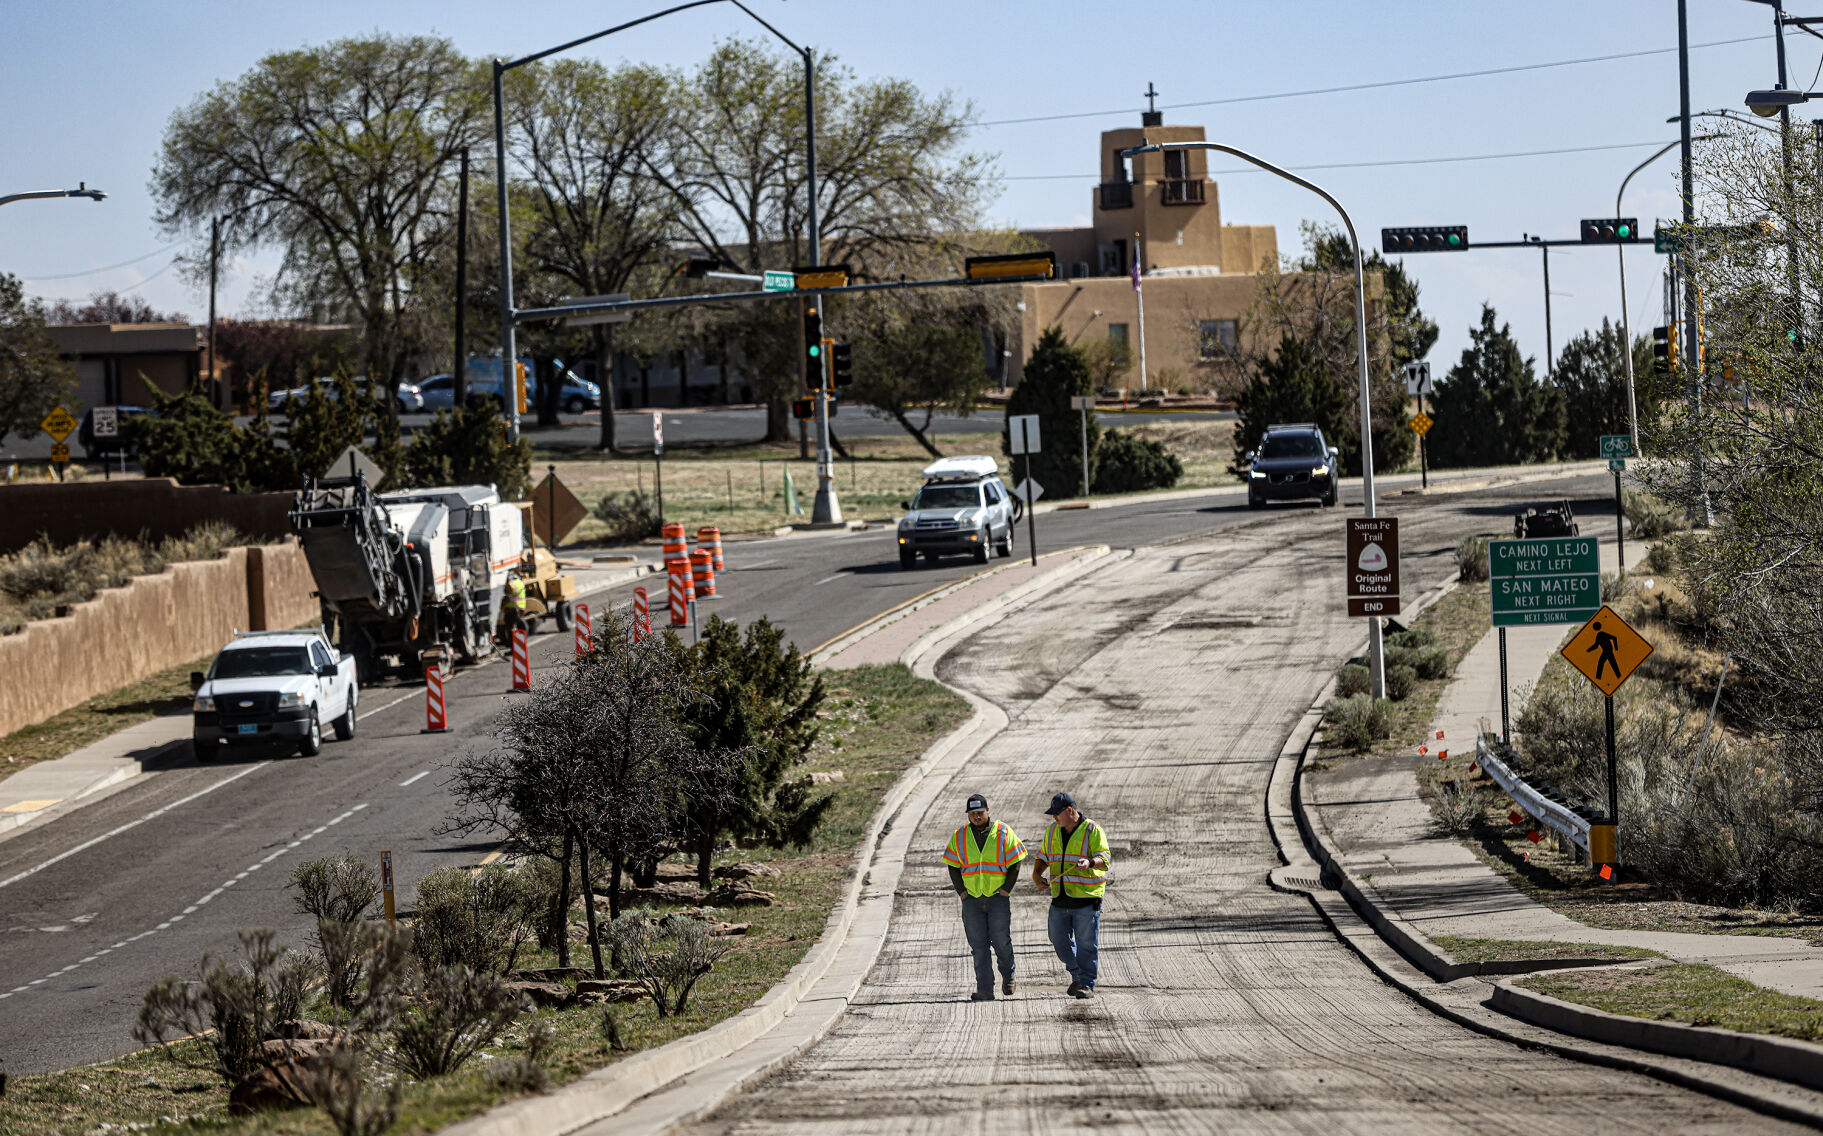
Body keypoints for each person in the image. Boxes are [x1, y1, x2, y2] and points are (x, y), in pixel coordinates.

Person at [942, 793, 1026, 1001]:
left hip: (997, 898)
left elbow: (1016, 862)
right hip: (972, 900)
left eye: (980, 813)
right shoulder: (960, 835)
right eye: (972, 814)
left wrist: (1006, 889)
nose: (976, 817)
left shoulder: (1004, 832)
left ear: (988, 811)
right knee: (978, 947)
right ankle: (985, 990)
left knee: (1001, 942)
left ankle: (1008, 976)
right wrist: (962, 892)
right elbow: (953, 865)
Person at [1033, 791, 1110, 998]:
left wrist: (1090, 862)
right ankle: (1077, 973)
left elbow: (1105, 858)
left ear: (1070, 810)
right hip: (1060, 898)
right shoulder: (1052, 831)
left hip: (1086, 898)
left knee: (1086, 944)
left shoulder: (1092, 830)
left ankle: (1086, 984)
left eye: (1056, 814)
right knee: (1057, 938)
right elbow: (1043, 857)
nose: (1054, 818)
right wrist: (1036, 874)